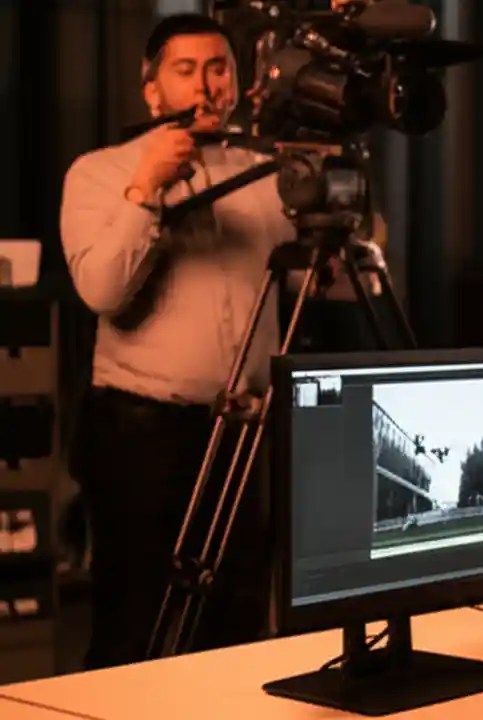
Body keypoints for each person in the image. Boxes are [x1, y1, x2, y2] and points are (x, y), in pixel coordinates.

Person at [60, 14, 292, 669]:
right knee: (134, 626)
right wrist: (146, 189)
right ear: (152, 89)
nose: (205, 86)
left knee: (238, 624)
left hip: (246, 436)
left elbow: (319, 285)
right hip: (142, 433)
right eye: (185, 70)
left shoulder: (269, 173)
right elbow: (102, 291)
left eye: (219, 69)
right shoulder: (100, 172)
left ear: (238, 83)